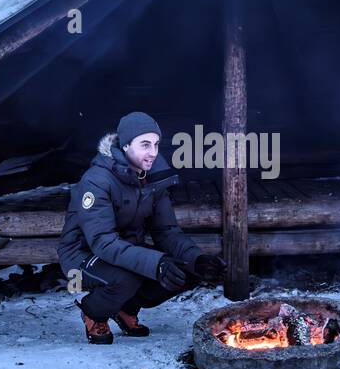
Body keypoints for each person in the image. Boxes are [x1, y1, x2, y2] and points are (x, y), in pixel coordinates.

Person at [57, 111, 227, 344]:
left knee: (186, 269)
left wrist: (197, 259)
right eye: (145, 144)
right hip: (82, 256)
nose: (153, 152)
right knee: (128, 278)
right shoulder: (97, 180)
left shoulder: (153, 178)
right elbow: (102, 242)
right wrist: (155, 263)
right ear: (125, 146)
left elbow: (166, 232)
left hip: (125, 249)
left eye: (156, 144)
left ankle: (126, 308)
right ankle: (93, 312)